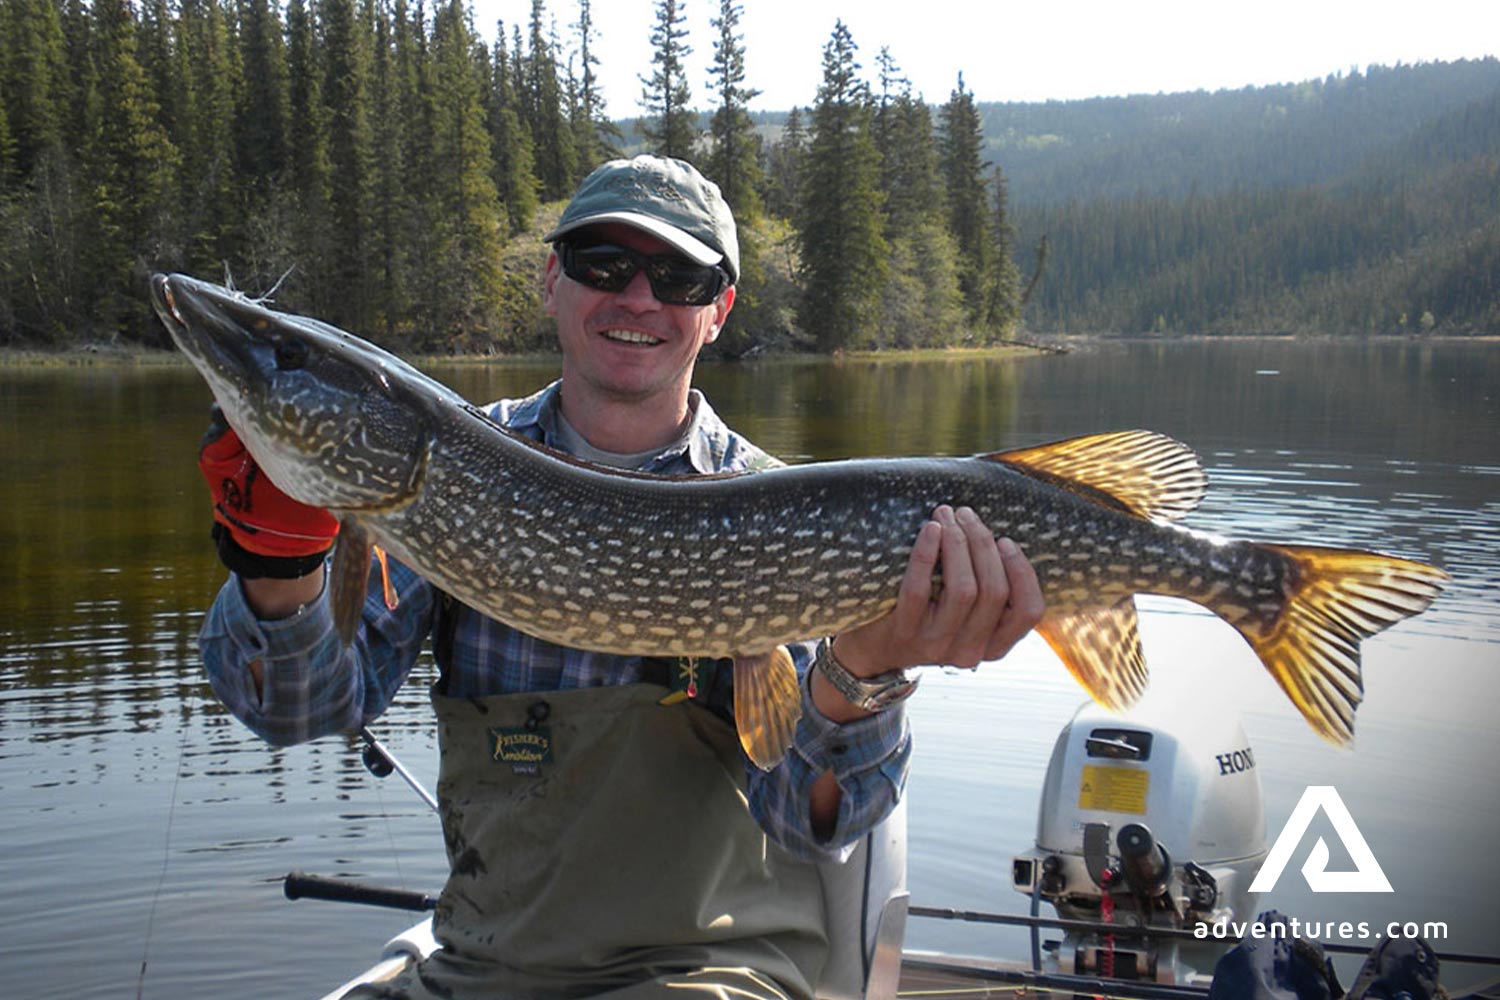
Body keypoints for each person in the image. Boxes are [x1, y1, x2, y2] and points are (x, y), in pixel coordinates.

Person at [195, 155, 1045, 1000]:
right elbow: (297, 711)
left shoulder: (783, 515)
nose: (638, 297)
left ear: (719, 311)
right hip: (481, 971)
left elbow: (812, 824)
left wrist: (864, 668)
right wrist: (278, 570)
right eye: (605, 264)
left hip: (706, 974)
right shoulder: (449, 472)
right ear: (551, 281)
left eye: (678, 277)